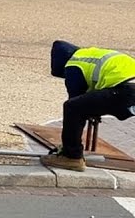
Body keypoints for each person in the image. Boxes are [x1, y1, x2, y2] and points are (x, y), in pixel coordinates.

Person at [42, 41, 135, 172]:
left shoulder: (73, 64)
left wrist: (66, 144)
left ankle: (71, 157)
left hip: (126, 90)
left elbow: (75, 99)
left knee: (72, 108)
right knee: (82, 106)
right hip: (127, 87)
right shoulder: (91, 54)